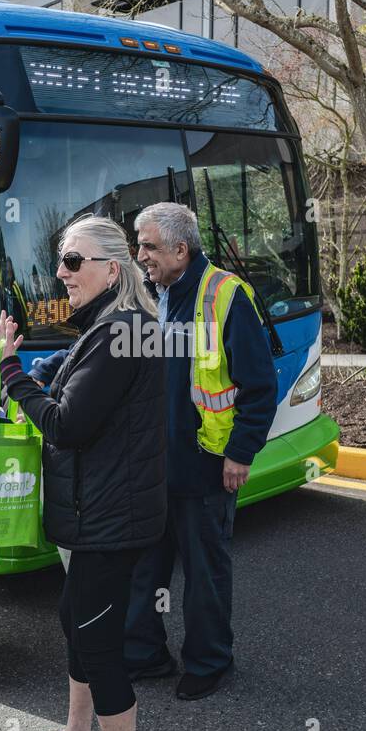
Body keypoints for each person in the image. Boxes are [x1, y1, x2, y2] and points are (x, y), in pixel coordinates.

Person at [0, 215, 166, 731]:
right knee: (76, 618)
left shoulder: (119, 332)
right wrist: (43, 370)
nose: (61, 273)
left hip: (110, 515)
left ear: (111, 269)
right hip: (107, 508)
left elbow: (67, 424)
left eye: (73, 262)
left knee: (97, 645)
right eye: (61, 261)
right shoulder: (113, 323)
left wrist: (13, 375)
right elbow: (76, 376)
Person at [123, 202, 277, 700]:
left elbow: (259, 386)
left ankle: (209, 661)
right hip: (152, 466)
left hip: (206, 466)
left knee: (205, 572)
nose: (139, 255)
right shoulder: (152, 293)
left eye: (148, 246)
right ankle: (144, 656)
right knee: (144, 568)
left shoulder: (225, 296)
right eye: (138, 244)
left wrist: (241, 452)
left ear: (180, 249)